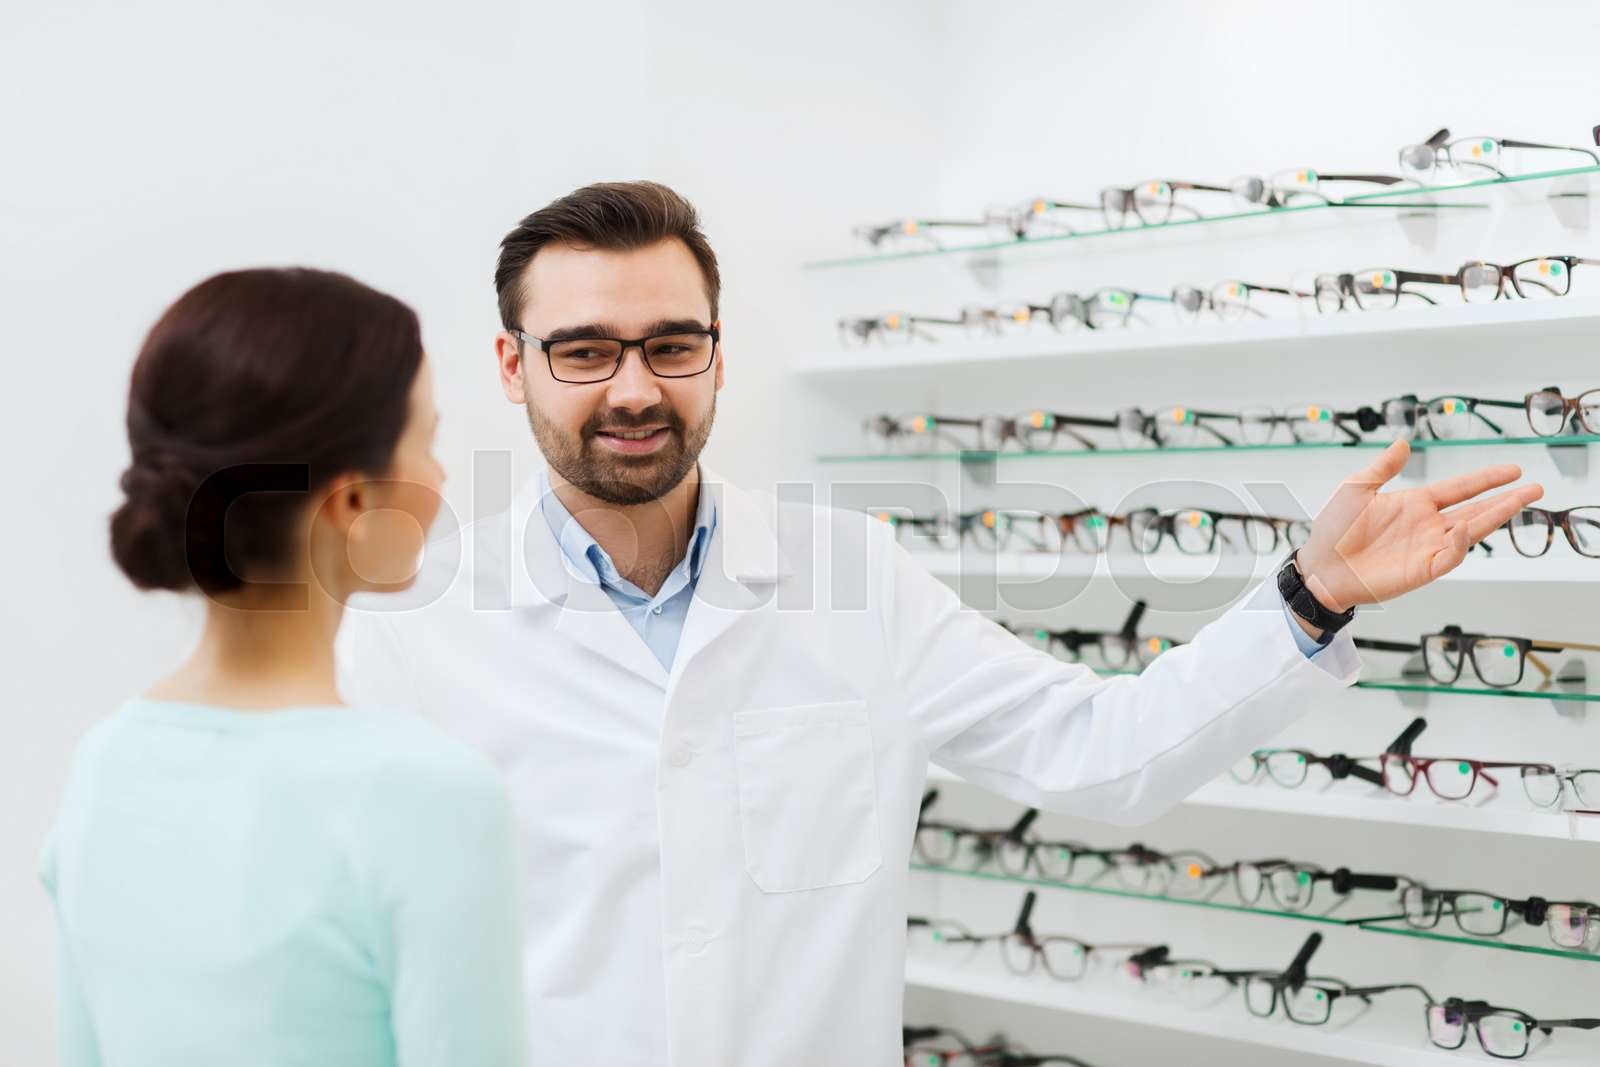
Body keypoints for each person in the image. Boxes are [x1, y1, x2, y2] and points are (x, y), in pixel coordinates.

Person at [335, 181, 1543, 1066]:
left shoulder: (850, 574)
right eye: (586, 350)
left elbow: (1102, 751)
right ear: (512, 364)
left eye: (671, 343)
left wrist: (1310, 590)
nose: (635, 387)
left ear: (715, 353)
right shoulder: (409, 630)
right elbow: (356, 965)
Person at [41, 269, 526, 1067]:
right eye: (426, 441)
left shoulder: (102, 767)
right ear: (350, 503)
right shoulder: (430, 793)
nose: (441, 478)